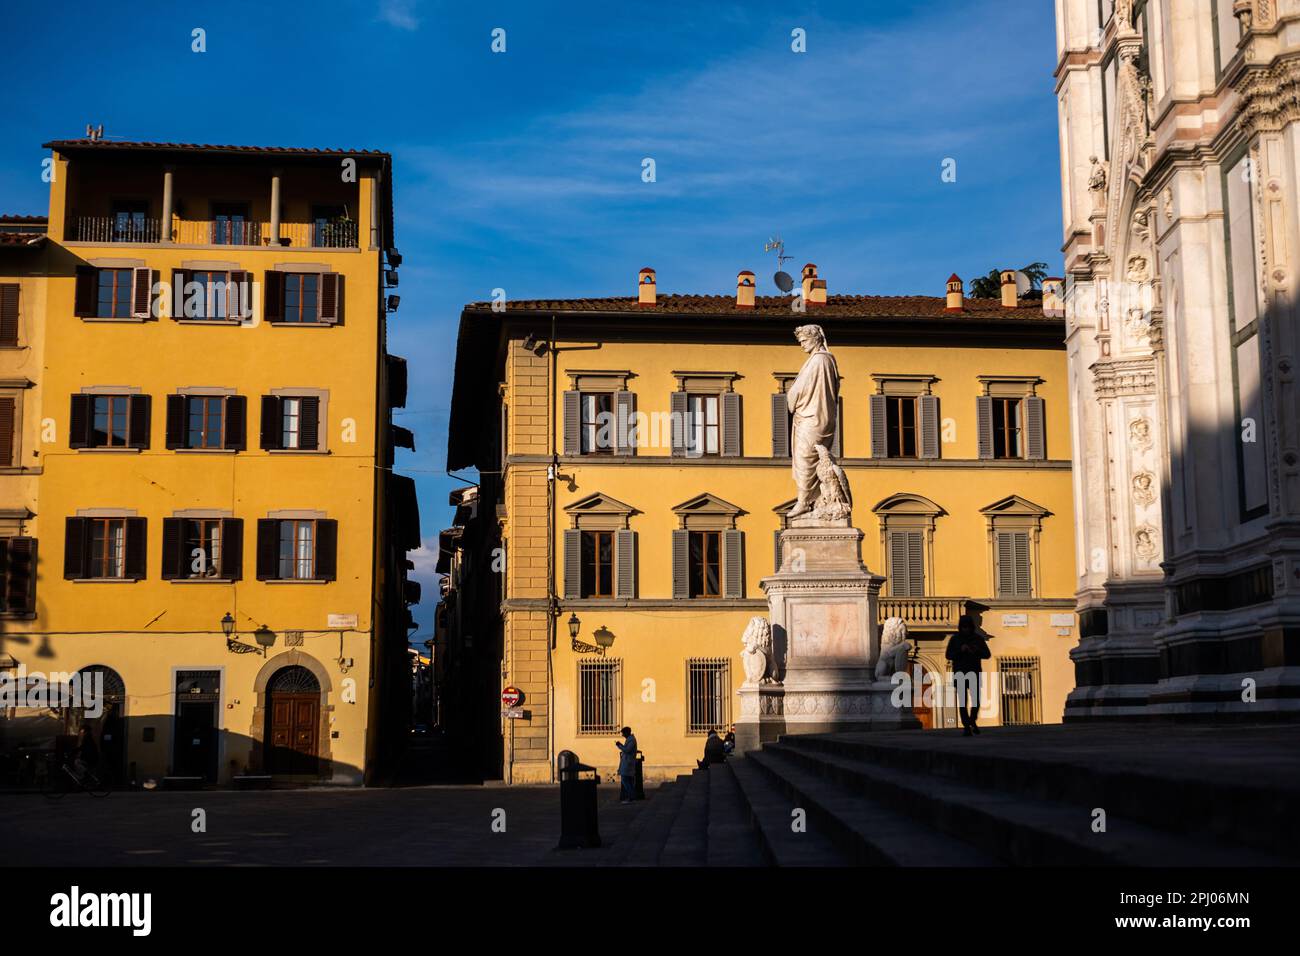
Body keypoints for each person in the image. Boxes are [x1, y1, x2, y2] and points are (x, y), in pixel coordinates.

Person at [945, 615, 991, 735]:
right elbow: (948, 655)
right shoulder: (955, 639)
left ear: (971, 627)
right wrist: (960, 650)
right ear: (961, 627)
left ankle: (972, 721)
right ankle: (966, 725)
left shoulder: (978, 639)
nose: (966, 629)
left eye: (968, 627)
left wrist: (976, 650)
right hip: (960, 672)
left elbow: (987, 654)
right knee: (962, 701)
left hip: (974, 672)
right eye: (964, 627)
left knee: (976, 700)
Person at [615, 726, 638, 803]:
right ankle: (631, 797)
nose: (622, 735)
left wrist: (619, 746)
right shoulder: (629, 740)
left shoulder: (632, 740)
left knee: (625, 780)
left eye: (623, 733)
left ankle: (631, 797)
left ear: (627, 732)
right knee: (628, 780)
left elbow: (627, 750)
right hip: (627, 762)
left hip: (628, 763)